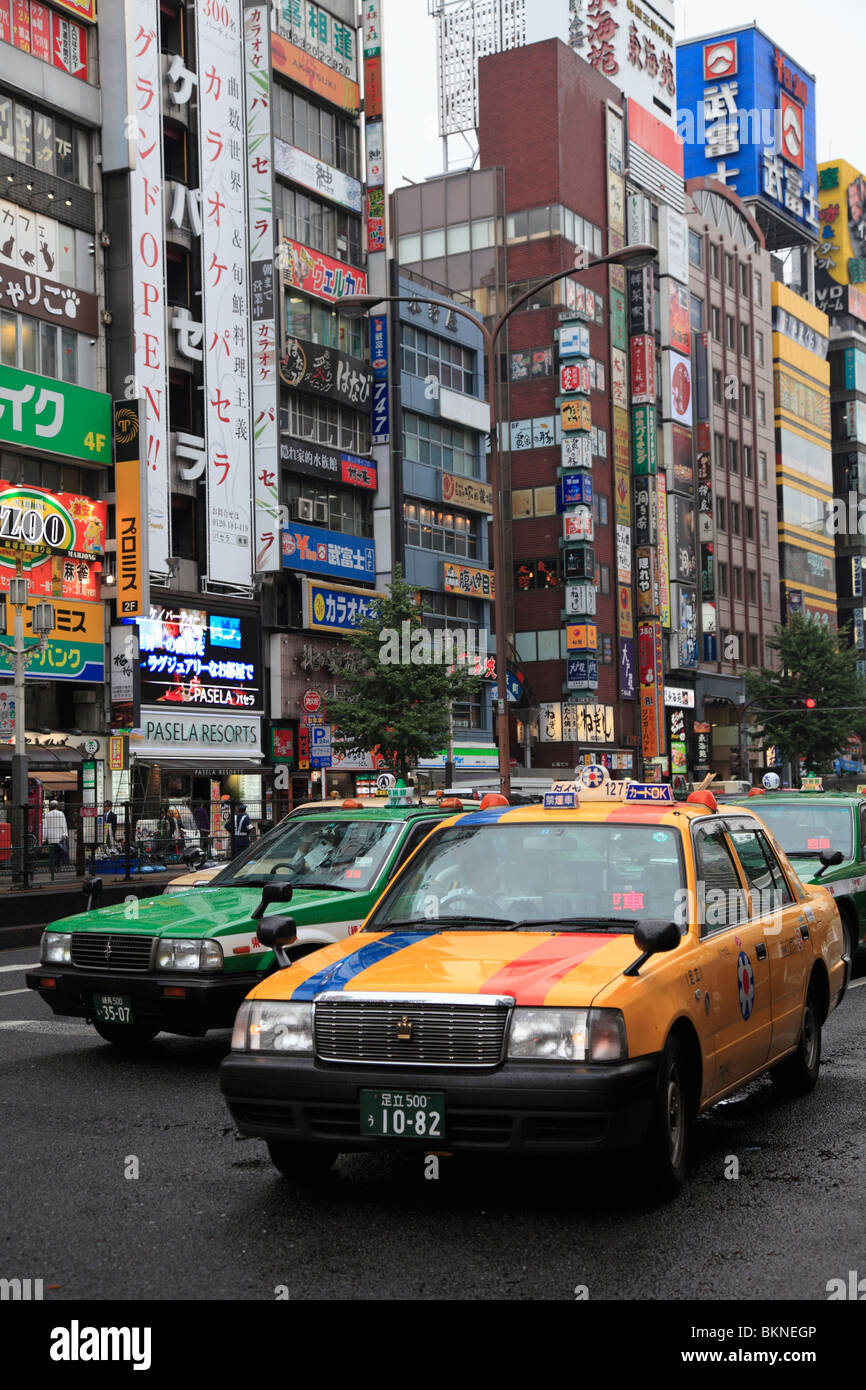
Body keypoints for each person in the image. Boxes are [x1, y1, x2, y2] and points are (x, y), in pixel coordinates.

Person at [42, 799, 69, 866]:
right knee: (59, 852)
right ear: (56, 806)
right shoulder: (61, 814)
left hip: (51, 838)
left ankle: (53, 866)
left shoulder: (48, 815)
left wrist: (44, 838)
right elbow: (64, 825)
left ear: (50, 807)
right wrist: (65, 834)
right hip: (59, 837)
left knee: (53, 853)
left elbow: (45, 827)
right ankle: (58, 865)